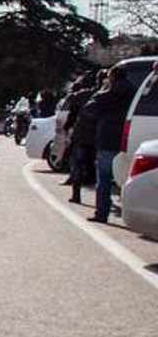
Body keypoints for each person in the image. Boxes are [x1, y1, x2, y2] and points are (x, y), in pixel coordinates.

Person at [86, 65, 136, 224]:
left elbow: (89, 108)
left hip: (107, 140)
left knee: (104, 180)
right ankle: (134, 214)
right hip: (130, 141)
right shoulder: (135, 93)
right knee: (129, 179)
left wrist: (103, 88)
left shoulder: (107, 94)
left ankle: (102, 213)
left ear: (112, 78)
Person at [64, 72, 101, 204]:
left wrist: (67, 127)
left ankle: (76, 195)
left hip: (83, 135)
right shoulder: (110, 95)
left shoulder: (85, 94)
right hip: (99, 136)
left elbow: (70, 103)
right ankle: (100, 200)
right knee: (99, 168)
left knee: (78, 165)